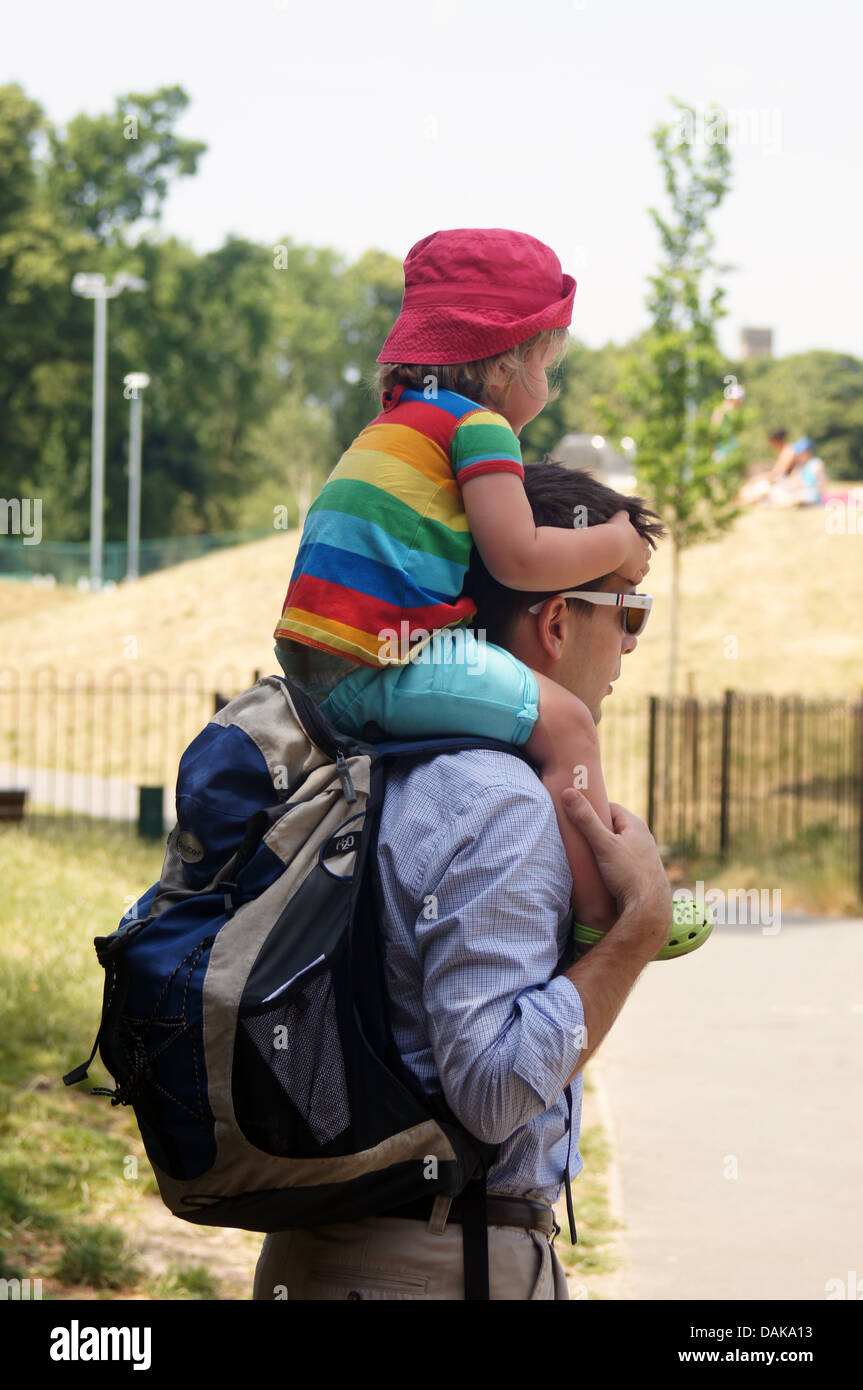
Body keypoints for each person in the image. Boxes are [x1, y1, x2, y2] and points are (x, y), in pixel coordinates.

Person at [253, 461, 674, 1301]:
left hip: (331, 1253)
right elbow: (489, 1091)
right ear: (556, 619)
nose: (630, 642)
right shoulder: (503, 804)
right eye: (628, 612)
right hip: (439, 1265)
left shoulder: (374, 764)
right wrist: (637, 931)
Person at [272, 228, 653, 938]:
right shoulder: (477, 427)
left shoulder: (395, 423)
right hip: (377, 663)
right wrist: (618, 540)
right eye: (550, 361)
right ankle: (603, 914)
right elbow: (518, 559)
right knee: (567, 724)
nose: (551, 382)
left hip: (320, 662)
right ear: (509, 364)